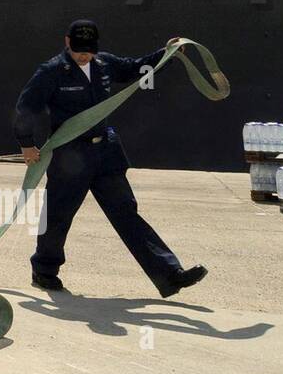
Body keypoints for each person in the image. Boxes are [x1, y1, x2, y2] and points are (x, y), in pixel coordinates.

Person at [14, 19, 208, 298]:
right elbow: (26, 107)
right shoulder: (51, 72)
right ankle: (44, 270)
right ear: (67, 42)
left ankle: (169, 274)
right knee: (57, 216)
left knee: (126, 213)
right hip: (71, 156)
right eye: (79, 49)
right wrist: (26, 144)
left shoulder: (104, 64)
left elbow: (134, 69)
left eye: (89, 50)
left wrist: (166, 53)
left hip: (105, 153)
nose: (84, 55)